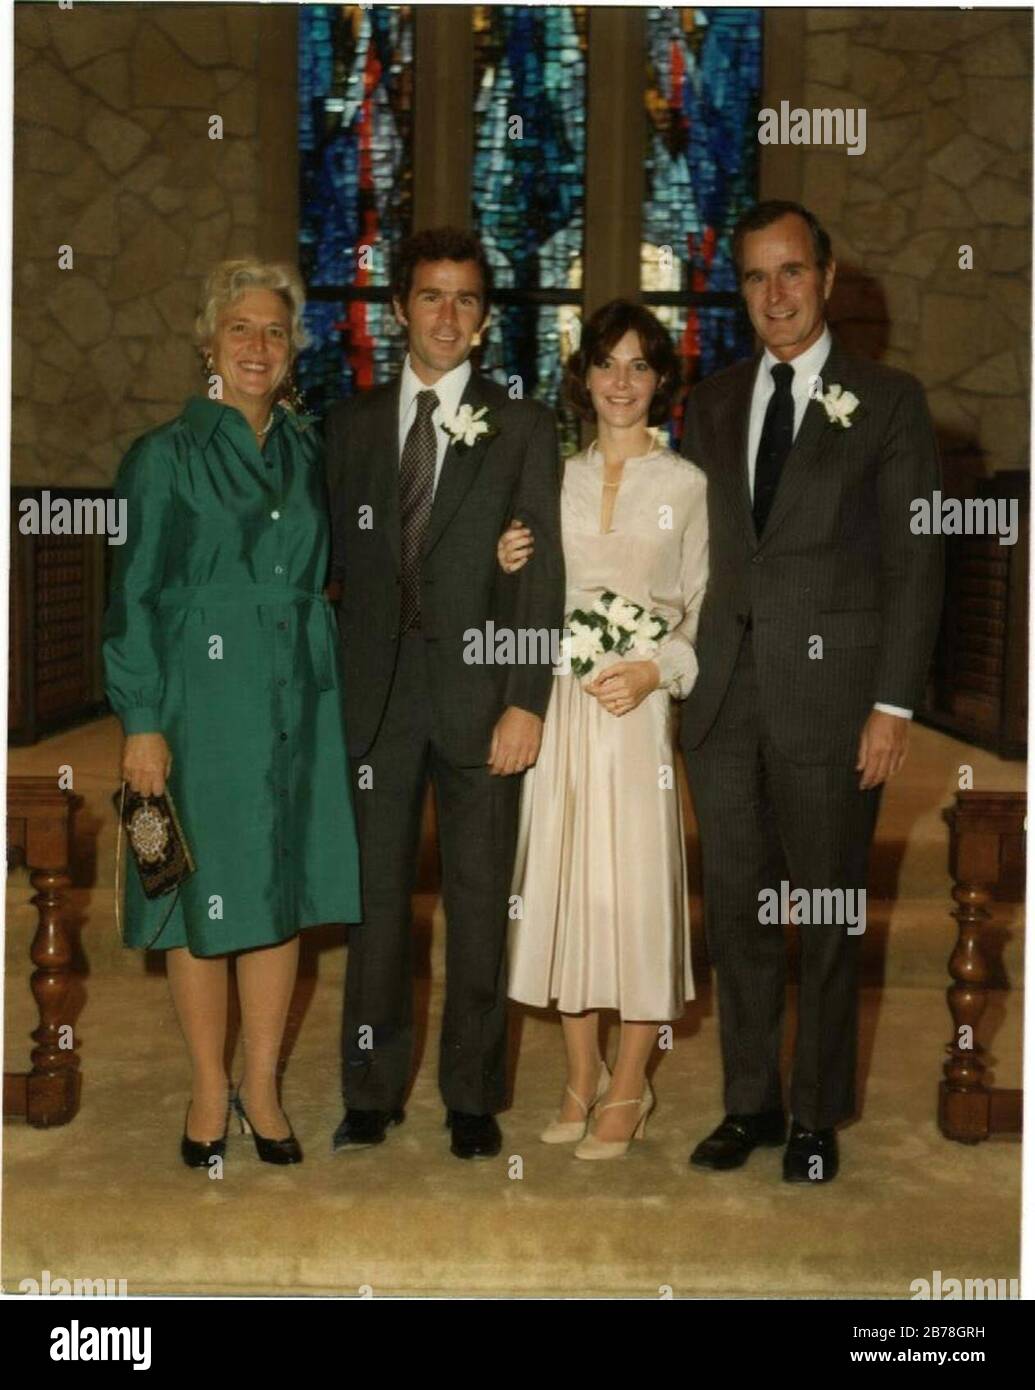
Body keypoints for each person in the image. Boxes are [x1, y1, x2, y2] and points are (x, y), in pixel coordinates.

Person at [679, 200, 944, 1183]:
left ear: (827, 280)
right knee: (737, 910)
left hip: (836, 704)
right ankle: (749, 1101)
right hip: (723, 700)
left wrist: (895, 702)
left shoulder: (889, 399)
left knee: (827, 910)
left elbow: (918, 562)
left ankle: (816, 1115)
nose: (775, 294)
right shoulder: (710, 400)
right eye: (755, 277)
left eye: (792, 272)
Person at [102, 258, 361, 1168]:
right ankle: (208, 1086)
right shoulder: (162, 456)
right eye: (241, 329)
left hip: (297, 688)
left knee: (278, 891)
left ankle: (262, 1084)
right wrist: (140, 718)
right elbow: (131, 597)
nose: (259, 345)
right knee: (201, 895)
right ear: (208, 343)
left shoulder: (308, 450)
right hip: (198, 704)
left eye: (276, 331)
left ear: (293, 352)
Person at [325, 227, 565, 1160]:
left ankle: (472, 1093)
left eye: (466, 299)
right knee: (376, 906)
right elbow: (328, 565)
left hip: (481, 698)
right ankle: (369, 1091)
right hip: (374, 702)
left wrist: (526, 699)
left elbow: (539, 575)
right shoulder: (347, 427)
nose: (448, 315)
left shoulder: (525, 426)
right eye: (431, 295)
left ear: (483, 318)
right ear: (398, 309)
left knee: (476, 902)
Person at [499, 300, 708, 1160]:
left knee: (632, 894)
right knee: (565, 892)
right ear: (582, 378)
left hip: (636, 716)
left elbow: (702, 608)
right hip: (563, 704)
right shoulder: (553, 480)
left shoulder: (688, 485)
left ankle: (630, 1084)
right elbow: (522, 593)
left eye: (639, 366)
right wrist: (503, 557)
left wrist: (659, 669)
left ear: (660, 382)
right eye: (606, 364)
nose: (621, 382)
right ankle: (578, 1075)